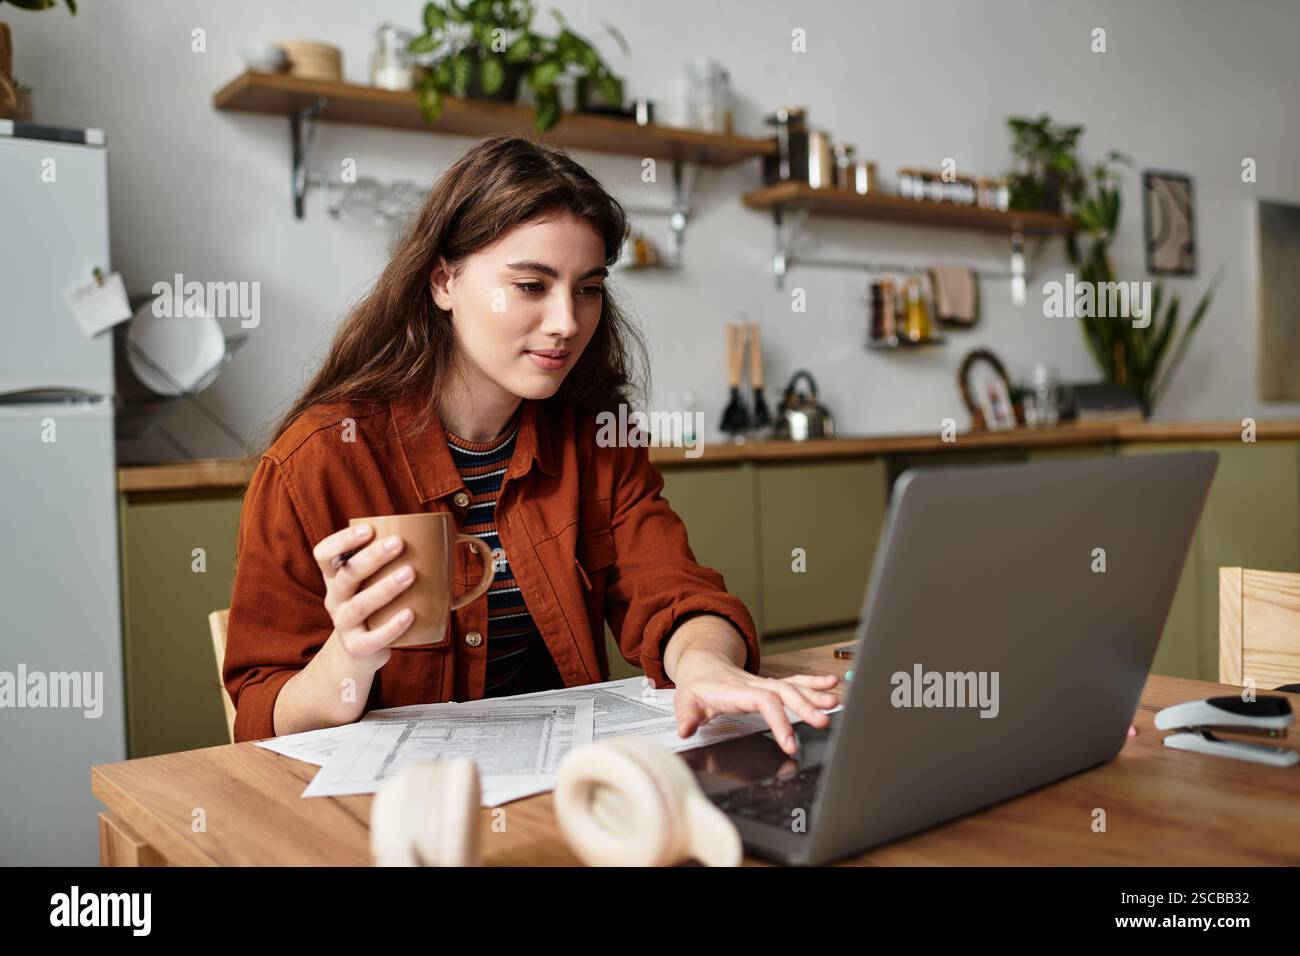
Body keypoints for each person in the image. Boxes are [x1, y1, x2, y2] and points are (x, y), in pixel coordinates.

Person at [223, 134, 838, 754]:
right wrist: (347, 659)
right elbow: (261, 711)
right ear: (443, 282)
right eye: (531, 285)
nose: (567, 322)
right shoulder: (320, 460)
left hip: (556, 790)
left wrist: (707, 665)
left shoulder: (597, 436)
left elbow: (676, 595)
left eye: (588, 288)